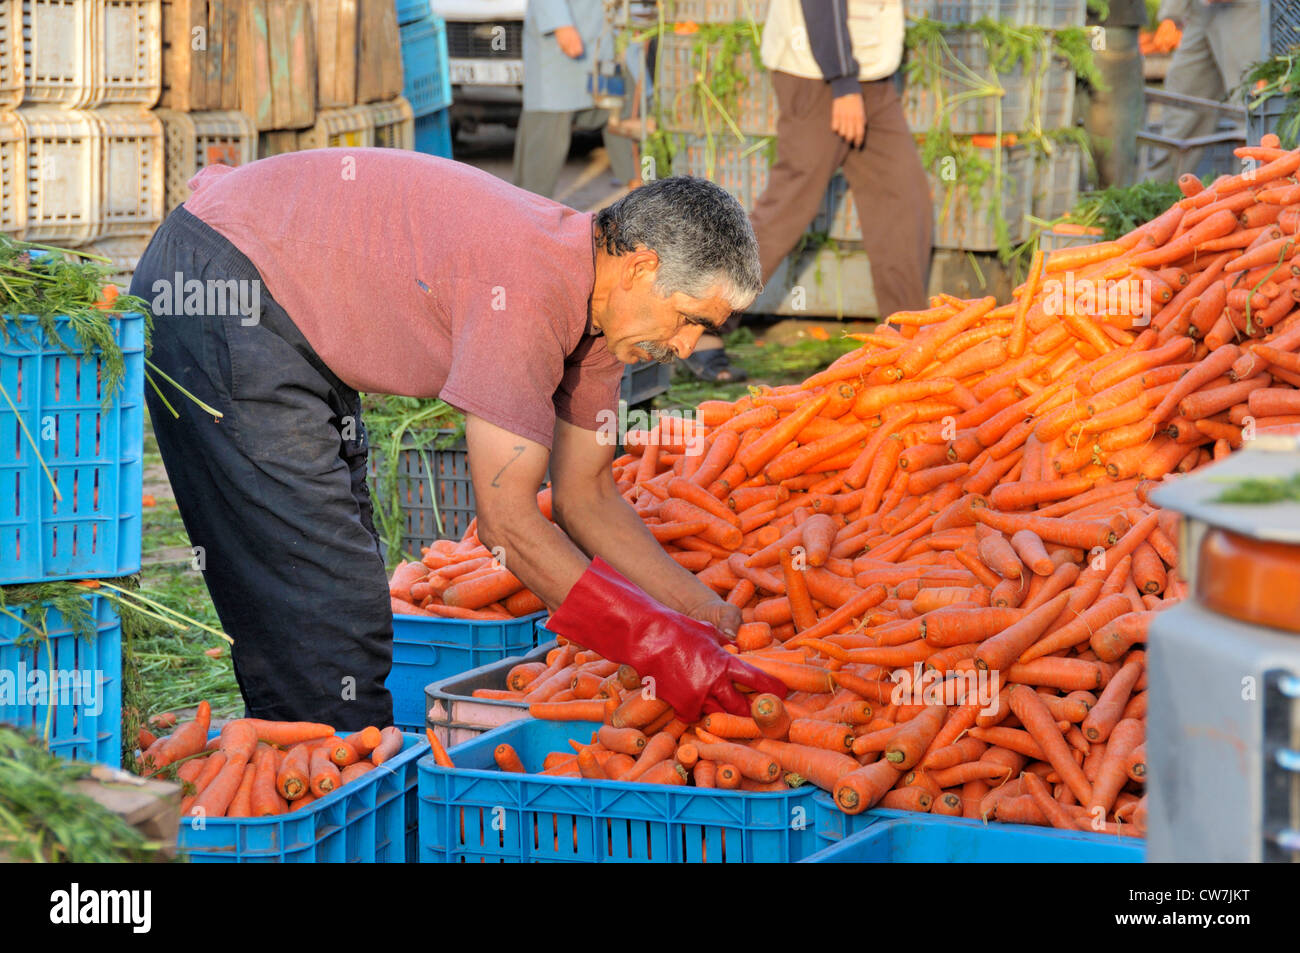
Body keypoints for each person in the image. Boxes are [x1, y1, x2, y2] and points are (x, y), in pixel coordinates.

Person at [131, 151, 785, 727]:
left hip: (281, 296)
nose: (686, 347)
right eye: (691, 319)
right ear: (642, 268)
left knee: (339, 585)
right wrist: (654, 646)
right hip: (221, 281)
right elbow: (507, 524)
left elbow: (588, 497)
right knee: (318, 611)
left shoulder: (604, 320)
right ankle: (327, 793)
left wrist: (712, 621)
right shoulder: (528, 288)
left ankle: (333, 765)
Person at [684, 0, 933, 383]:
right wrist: (843, 82)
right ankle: (698, 327)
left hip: (870, 74)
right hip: (822, 75)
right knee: (789, 206)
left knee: (903, 200)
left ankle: (906, 340)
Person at [512, 0, 639, 199]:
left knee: (629, 114)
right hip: (564, 39)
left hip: (611, 34)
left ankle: (647, 201)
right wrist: (559, 23)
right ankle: (526, 215)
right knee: (546, 132)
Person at [1145, 0, 1263, 178]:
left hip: (1245, 8)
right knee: (1182, 109)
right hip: (1200, 11)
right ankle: (1159, 195)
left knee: (1250, 112)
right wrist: (1172, 13)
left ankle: (1251, 194)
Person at [1082, 0, 1148, 187]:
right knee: (1111, 128)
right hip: (1110, 23)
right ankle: (1110, 205)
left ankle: (1105, 204)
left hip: (1104, 23)